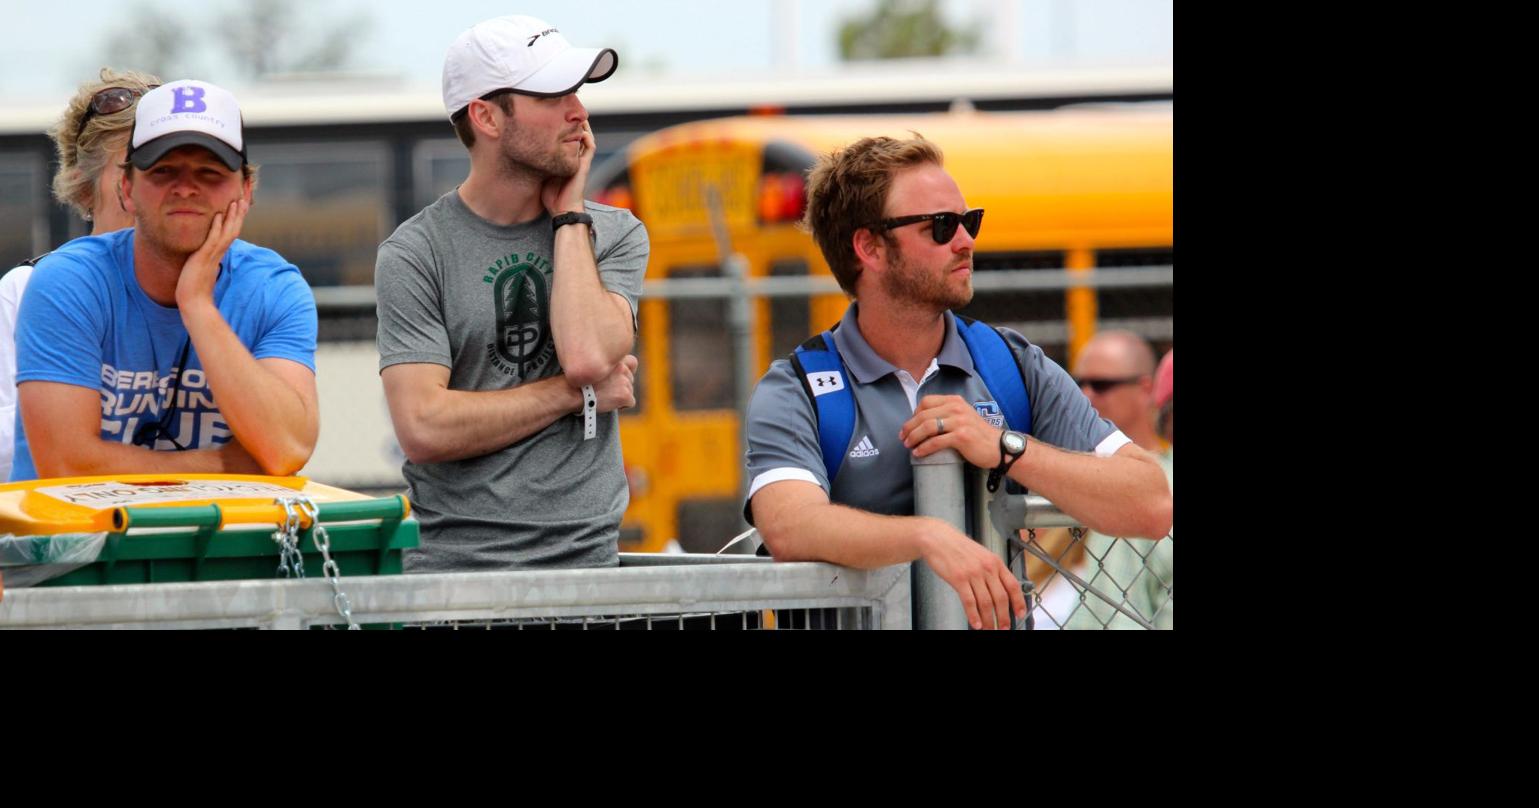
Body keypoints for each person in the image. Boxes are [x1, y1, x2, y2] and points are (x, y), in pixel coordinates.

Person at [743, 134, 1172, 630]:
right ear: (870, 248)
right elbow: (789, 525)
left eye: (970, 221)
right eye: (942, 227)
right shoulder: (796, 387)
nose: (966, 241)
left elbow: (1152, 503)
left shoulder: (1010, 364)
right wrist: (930, 537)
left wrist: (1007, 448)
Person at [375, 15, 648, 572]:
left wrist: (570, 217)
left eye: (577, 91)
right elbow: (424, 427)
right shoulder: (414, 252)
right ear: (487, 117)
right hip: (454, 578)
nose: (580, 111)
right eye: (553, 94)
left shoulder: (616, 232)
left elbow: (590, 355)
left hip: (589, 574)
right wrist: (575, 396)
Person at [9, 79, 319, 481]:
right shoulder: (67, 280)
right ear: (126, 188)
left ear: (246, 189)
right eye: (164, 171)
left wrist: (198, 306)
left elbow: (287, 449)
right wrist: (230, 466)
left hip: (223, 542)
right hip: (81, 540)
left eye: (209, 172)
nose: (186, 188)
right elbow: (67, 465)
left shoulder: (275, 287)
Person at [0, 68, 161, 481]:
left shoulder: (233, 288)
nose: (153, 190)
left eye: (166, 169)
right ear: (83, 185)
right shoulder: (24, 290)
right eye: (131, 169)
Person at [1049, 332, 1172, 629]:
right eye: (1078, 384)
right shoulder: (1056, 467)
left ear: (1147, 389)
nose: (1085, 396)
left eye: (1102, 385)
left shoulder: (1137, 489)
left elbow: (1112, 620)